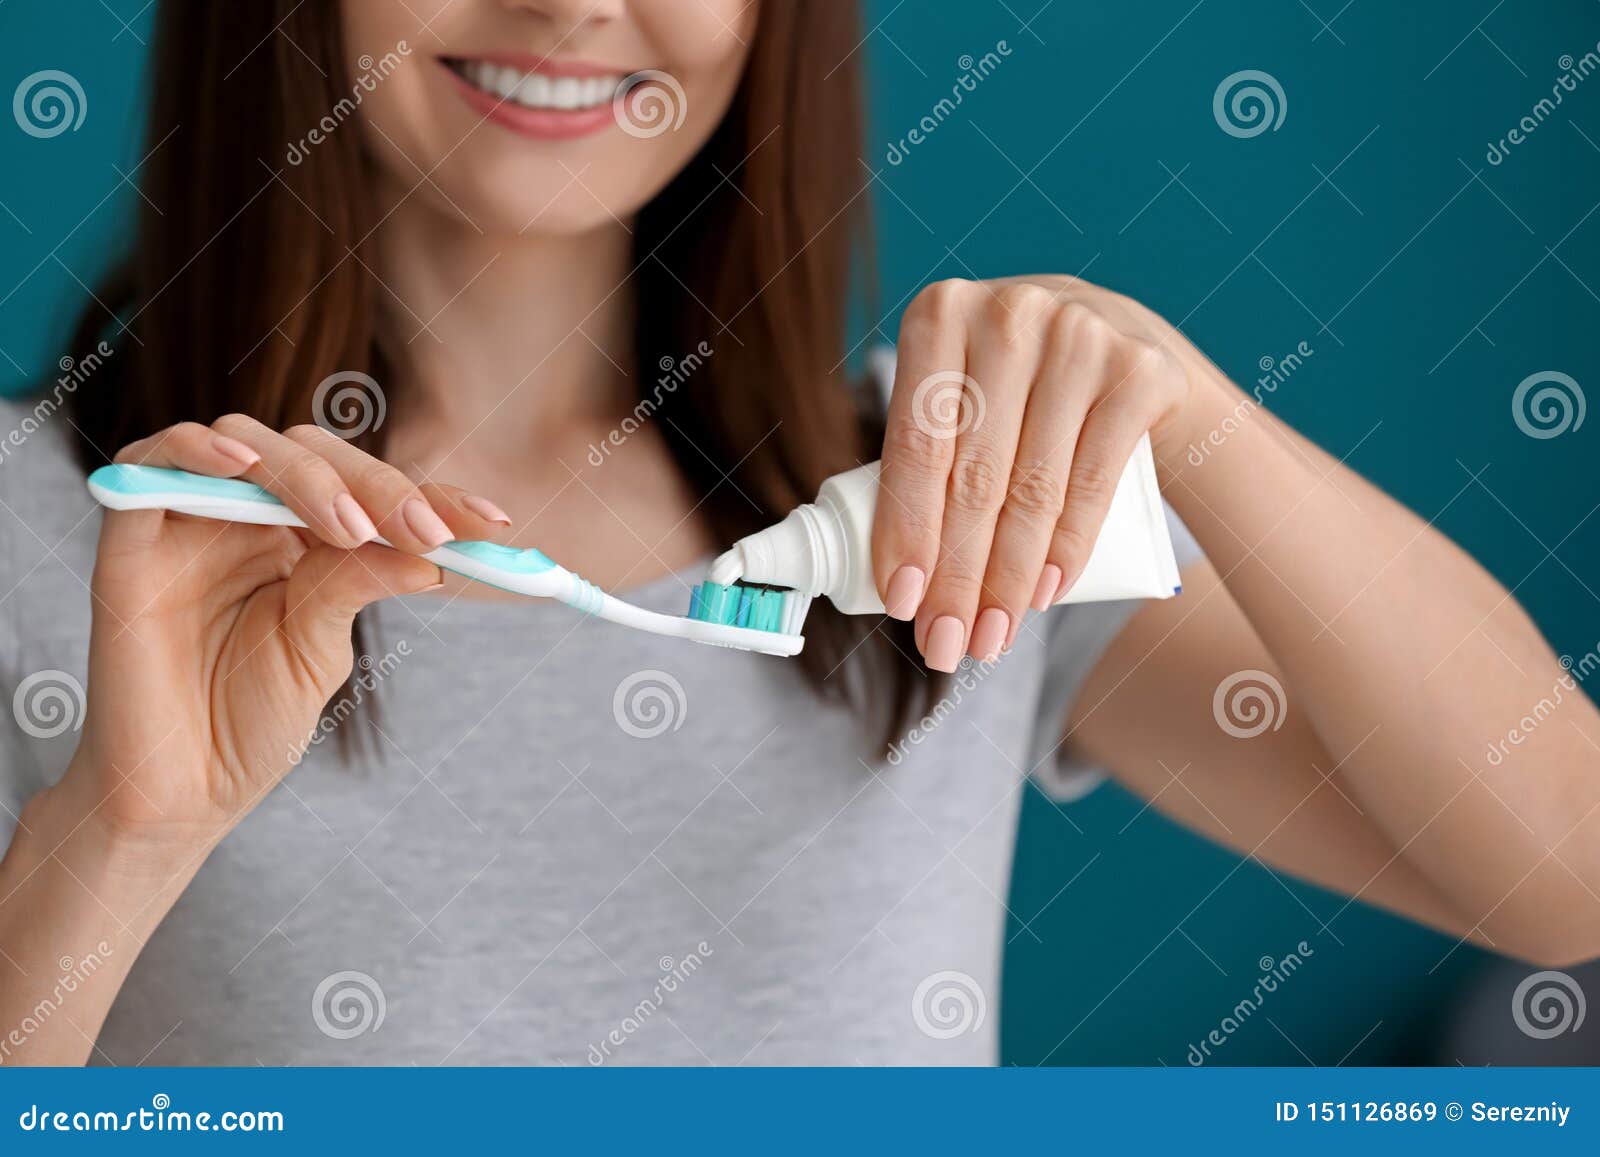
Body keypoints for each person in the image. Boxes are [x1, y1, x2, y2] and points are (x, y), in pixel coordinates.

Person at [0, 0, 1594, 1066]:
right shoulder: (42, 523)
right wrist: (117, 832)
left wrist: (1194, 421)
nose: (571, 8)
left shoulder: (961, 508)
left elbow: (1565, 879)